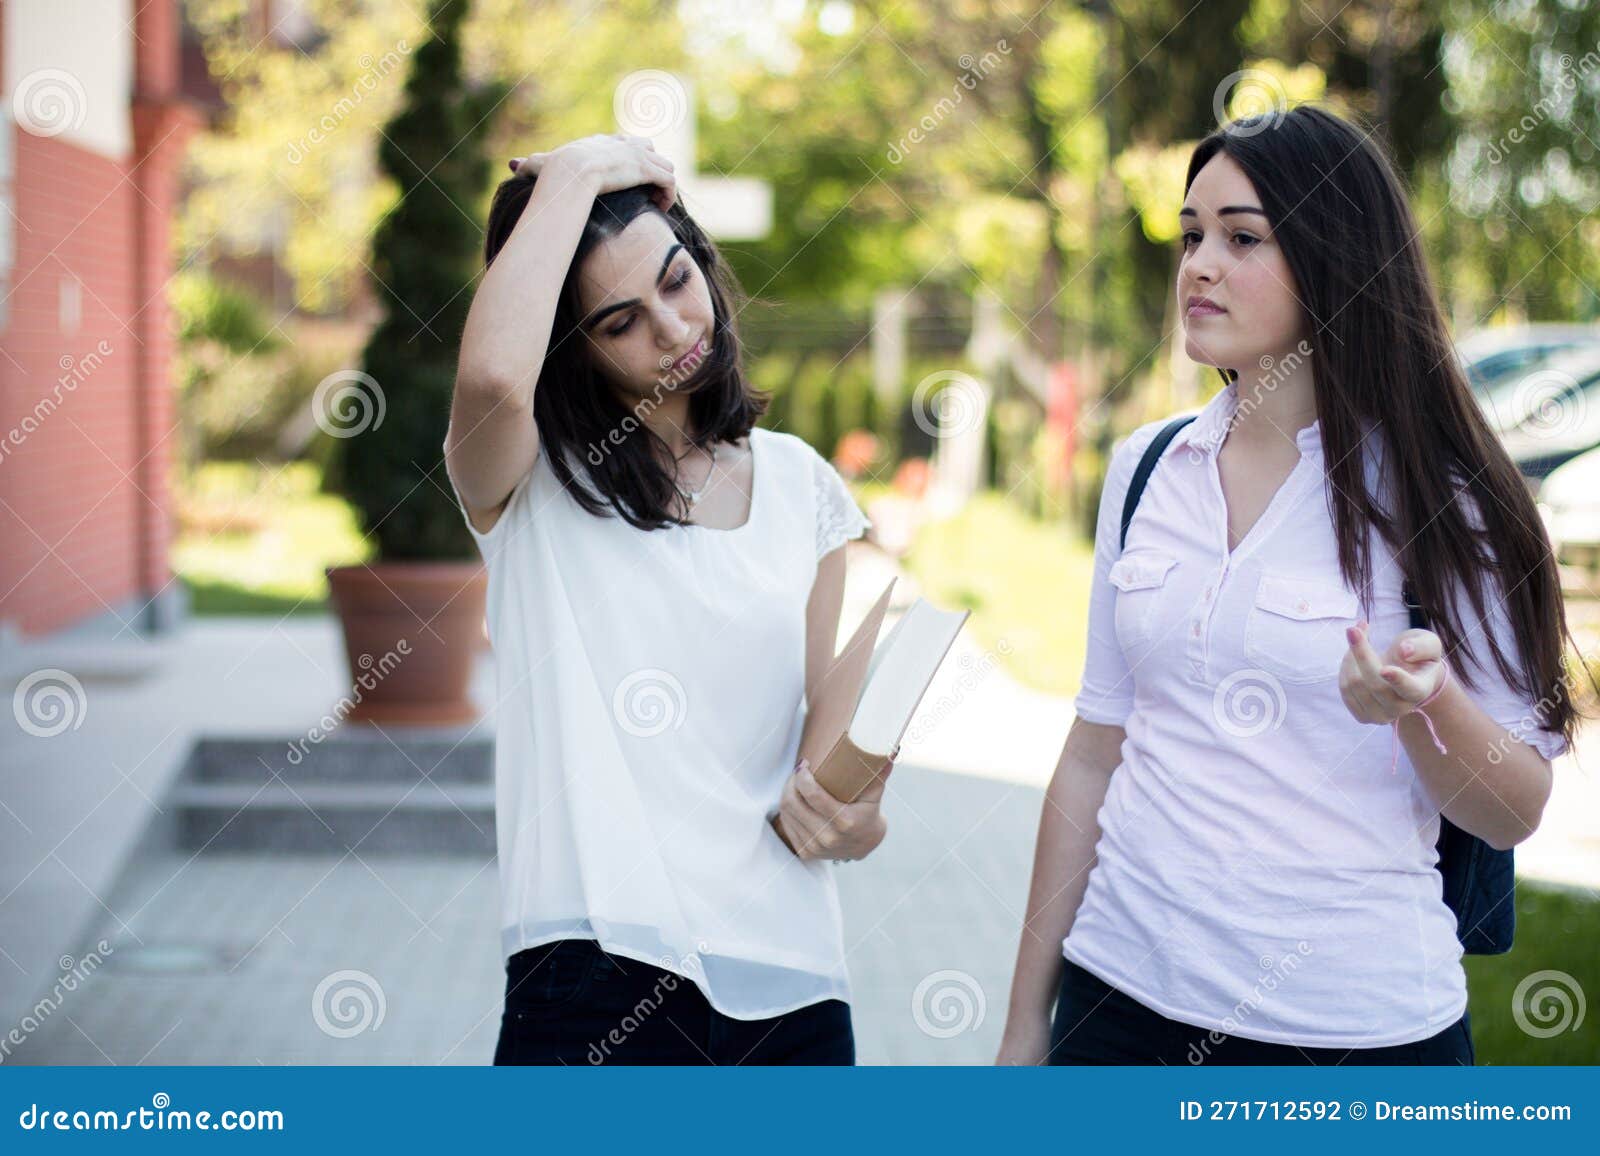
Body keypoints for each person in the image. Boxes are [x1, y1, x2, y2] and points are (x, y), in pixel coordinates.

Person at [998, 105, 1583, 1066]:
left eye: (1241, 238)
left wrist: (1422, 704)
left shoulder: (1450, 500)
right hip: (1116, 1008)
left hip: (1350, 1038)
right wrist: (1027, 1026)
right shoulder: (1147, 468)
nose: (1198, 265)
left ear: (1334, 258)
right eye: (1191, 236)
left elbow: (1514, 807)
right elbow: (1094, 754)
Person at [444, 132, 896, 1065]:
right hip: (590, 975)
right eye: (619, 321)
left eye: (677, 279)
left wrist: (856, 821)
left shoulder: (804, 487)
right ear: (576, 350)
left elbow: (831, 760)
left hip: (791, 983)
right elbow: (492, 375)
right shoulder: (528, 488)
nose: (673, 326)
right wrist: (575, 172)